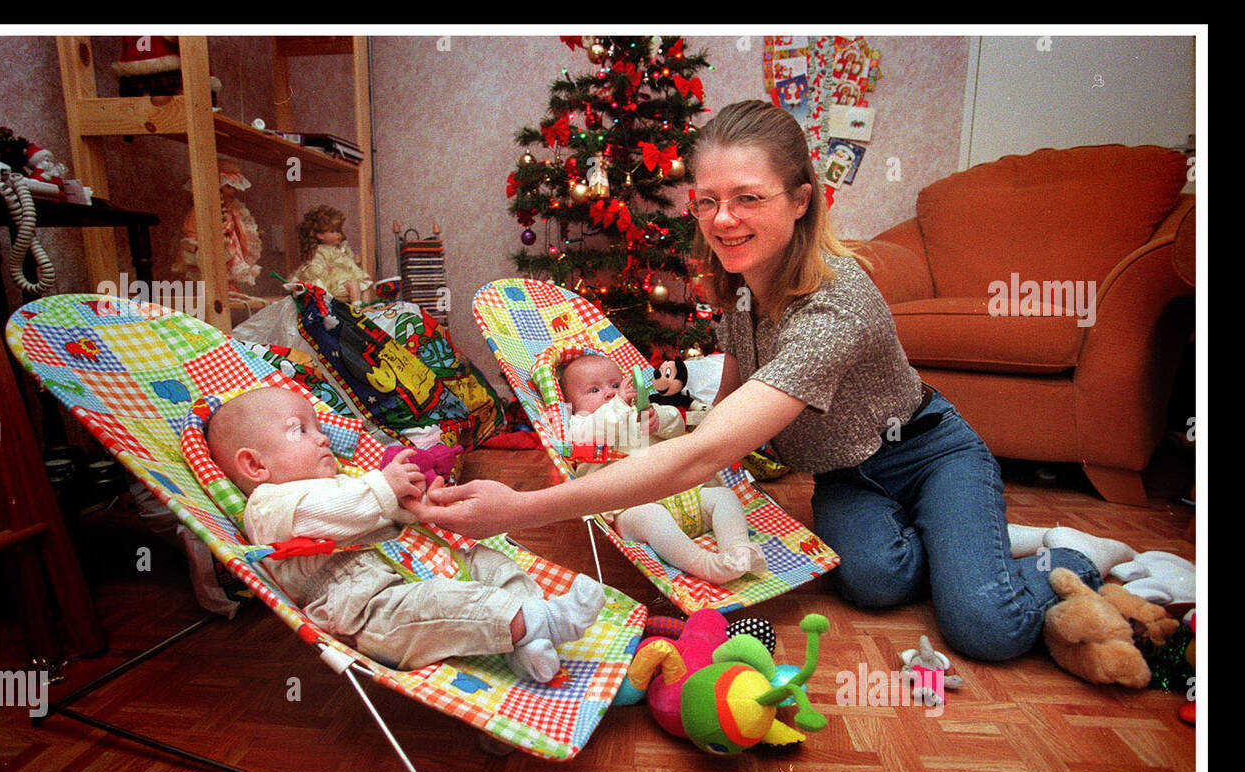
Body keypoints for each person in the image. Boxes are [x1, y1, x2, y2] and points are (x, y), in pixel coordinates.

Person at [410, 99, 1139, 664]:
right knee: (872, 584)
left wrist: (523, 507)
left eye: (748, 197)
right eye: (706, 199)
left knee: (986, 625)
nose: (722, 219)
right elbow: (734, 378)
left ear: (801, 198)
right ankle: (966, 538)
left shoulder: (836, 304)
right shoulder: (740, 278)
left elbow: (703, 458)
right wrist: (686, 417)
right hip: (846, 474)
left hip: (927, 451)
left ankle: (1064, 551)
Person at [206, 386, 605, 682]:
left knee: (486, 560)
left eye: (318, 427)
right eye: (301, 431)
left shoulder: (343, 480)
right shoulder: (268, 504)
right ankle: (540, 620)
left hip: (413, 556)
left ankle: (527, 635)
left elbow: (373, 509)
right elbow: (325, 516)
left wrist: (413, 500)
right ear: (255, 466)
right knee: (437, 605)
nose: (322, 437)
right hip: (367, 602)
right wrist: (382, 488)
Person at [560, 351, 765, 584]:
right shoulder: (580, 425)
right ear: (572, 405)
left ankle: (737, 551)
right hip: (631, 506)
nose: (609, 393)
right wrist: (618, 406)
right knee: (651, 518)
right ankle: (705, 565)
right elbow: (590, 437)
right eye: (594, 390)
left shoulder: (640, 410)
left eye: (615, 385)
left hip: (683, 493)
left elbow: (677, 426)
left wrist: (658, 418)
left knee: (724, 496)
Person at [291, 204, 375, 305]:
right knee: (353, 285)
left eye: (338, 231)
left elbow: (349, 262)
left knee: (366, 286)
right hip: (333, 281)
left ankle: (366, 307)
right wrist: (324, 268)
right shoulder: (320, 250)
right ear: (320, 235)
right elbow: (315, 265)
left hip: (346, 276)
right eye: (332, 232)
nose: (338, 234)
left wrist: (355, 261)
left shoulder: (342, 247)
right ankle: (357, 307)